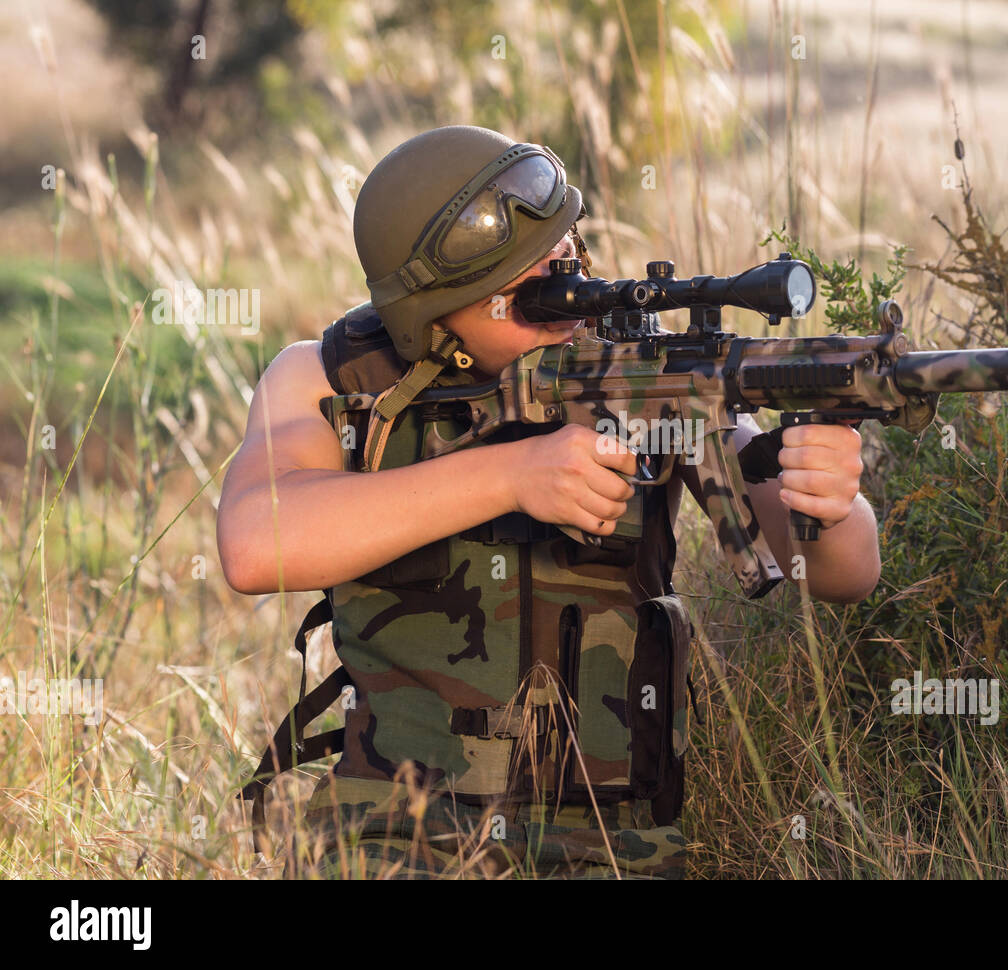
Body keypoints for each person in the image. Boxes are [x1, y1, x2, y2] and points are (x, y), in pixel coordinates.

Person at [216, 125, 881, 879]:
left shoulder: (646, 370)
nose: (566, 285)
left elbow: (842, 575)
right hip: (391, 836)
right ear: (433, 315)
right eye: (523, 287)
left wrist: (826, 504)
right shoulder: (330, 377)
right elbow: (253, 544)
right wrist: (512, 475)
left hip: (614, 844)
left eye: (567, 255)